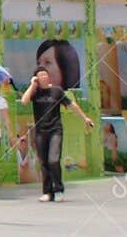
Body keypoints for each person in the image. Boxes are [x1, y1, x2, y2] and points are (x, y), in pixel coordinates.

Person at [21, 66, 93, 202]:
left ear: (48, 76)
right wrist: (32, 85)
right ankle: (47, 192)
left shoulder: (57, 91)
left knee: (53, 160)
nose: (43, 77)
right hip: (40, 132)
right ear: (36, 78)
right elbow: (24, 101)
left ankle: (58, 189)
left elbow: (71, 104)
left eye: (45, 74)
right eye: (40, 75)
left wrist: (85, 118)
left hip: (55, 130)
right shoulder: (35, 92)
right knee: (44, 162)